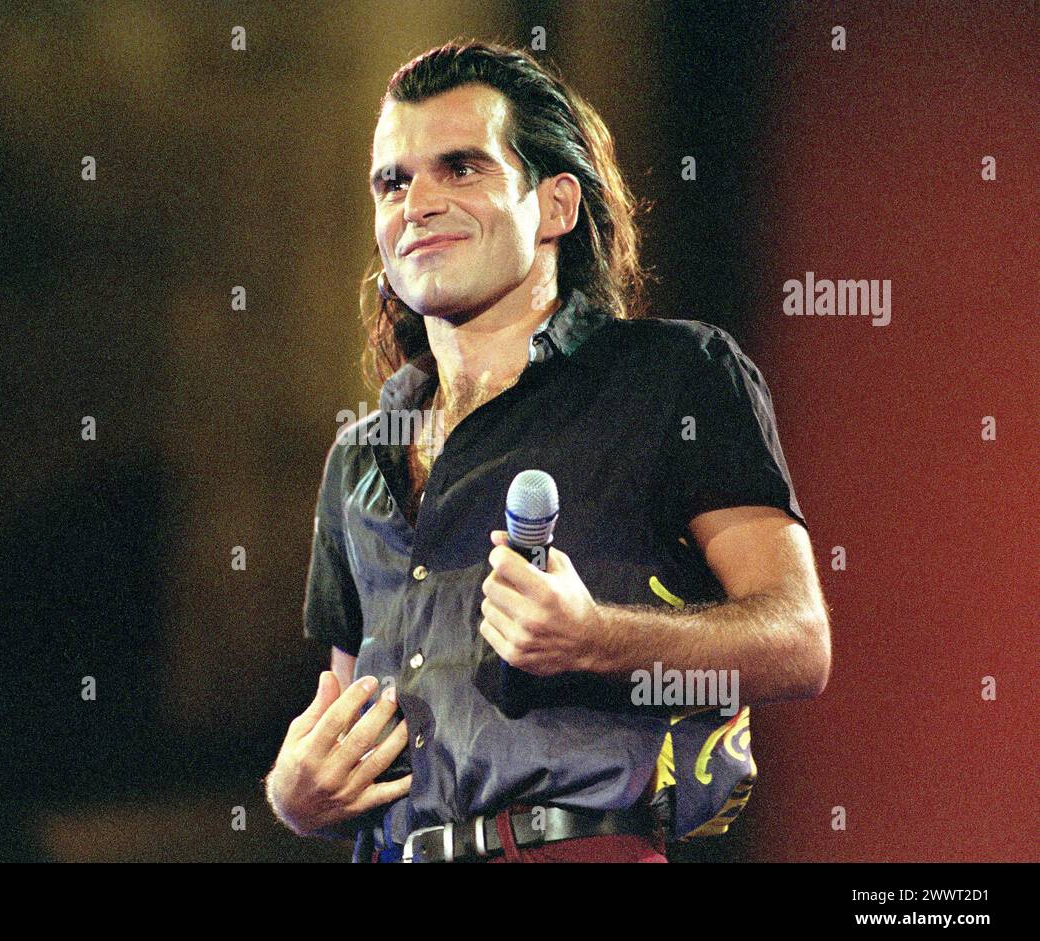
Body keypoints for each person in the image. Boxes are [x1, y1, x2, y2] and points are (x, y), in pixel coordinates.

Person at [264, 40, 831, 863]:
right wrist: (295, 796)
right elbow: (345, 729)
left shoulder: (673, 377)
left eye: (461, 168)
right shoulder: (359, 454)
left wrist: (595, 636)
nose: (417, 201)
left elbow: (798, 641)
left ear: (556, 205)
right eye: (394, 181)